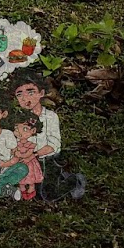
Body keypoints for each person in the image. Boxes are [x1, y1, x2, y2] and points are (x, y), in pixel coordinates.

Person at [13, 74, 85, 202]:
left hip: (46, 159)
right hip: (25, 159)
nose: (25, 98)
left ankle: (74, 180)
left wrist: (34, 155)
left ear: (41, 93)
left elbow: (54, 144)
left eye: (30, 92)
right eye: (19, 94)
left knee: (46, 195)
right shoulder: (19, 119)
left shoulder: (50, 117)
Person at [0, 115, 45, 200]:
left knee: (30, 178)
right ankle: (22, 192)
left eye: (25, 129)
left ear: (33, 130)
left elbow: (28, 153)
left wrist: (19, 154)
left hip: (29, 163)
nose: (19, 132)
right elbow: (12, 150)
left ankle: (31, 190)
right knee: (21, 179)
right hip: (18, 163)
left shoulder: (31, 144)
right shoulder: (15, 143)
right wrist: (13, 152)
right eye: (16, 129)